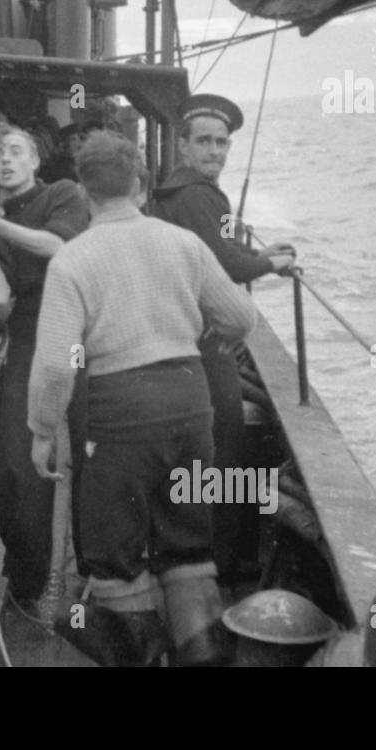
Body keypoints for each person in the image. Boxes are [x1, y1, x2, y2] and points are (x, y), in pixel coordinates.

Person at [27, 132, 259, 666]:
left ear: (85, 191)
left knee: (115, 555)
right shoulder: (182, 242)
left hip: (120, 420)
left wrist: (43, 431)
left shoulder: (72, 260)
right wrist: (214, 339)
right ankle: (203, 657)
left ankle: (141, 658)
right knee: (188, 542)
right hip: (190, 403)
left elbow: (59, 365)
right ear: (139, 184)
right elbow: (241, 318)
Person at [151, 93, 296, 582]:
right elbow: (226, 265)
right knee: (224, 449)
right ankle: (221, 566)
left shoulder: (185, 192)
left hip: (183, 335)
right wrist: (270, 263)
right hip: (200, 340)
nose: (215, 151)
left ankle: (208, 557)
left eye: (223, 143)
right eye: (205, 142)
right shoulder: (195, 194)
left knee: (212, 450)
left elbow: (216, 246)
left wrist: (255, 252)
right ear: (185, 147)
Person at [0, 124, 89, 607]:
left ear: (36, 161)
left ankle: (98, 572)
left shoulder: (63, 195)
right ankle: (27, 581)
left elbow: (58, 248)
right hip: (25, 334)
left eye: (16, 151)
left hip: (80, 330)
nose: (5, 160)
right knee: (17, 466)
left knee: (92, 450)